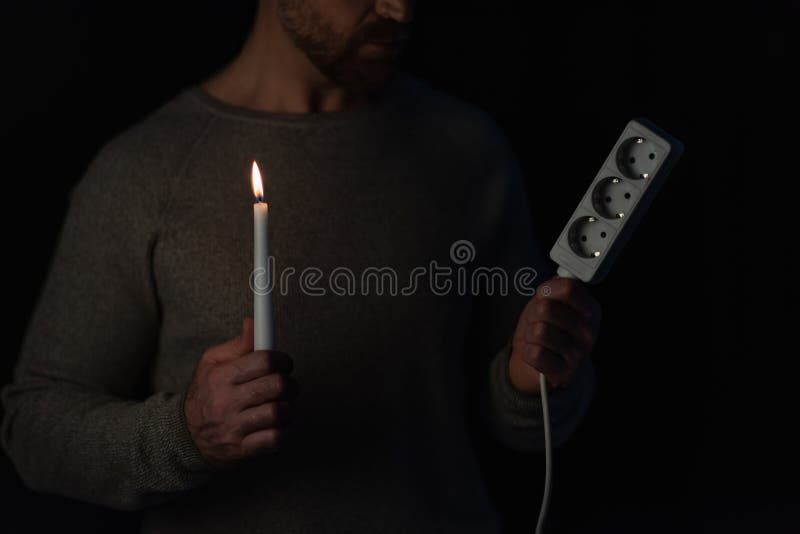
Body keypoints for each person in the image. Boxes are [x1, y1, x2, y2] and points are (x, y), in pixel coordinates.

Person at [1, 1, 602, 532]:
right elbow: (34, 433)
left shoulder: (467, 149)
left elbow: (524, 428)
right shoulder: (147, 170)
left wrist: (535, 379)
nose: (400, 10)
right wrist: (186, 436)